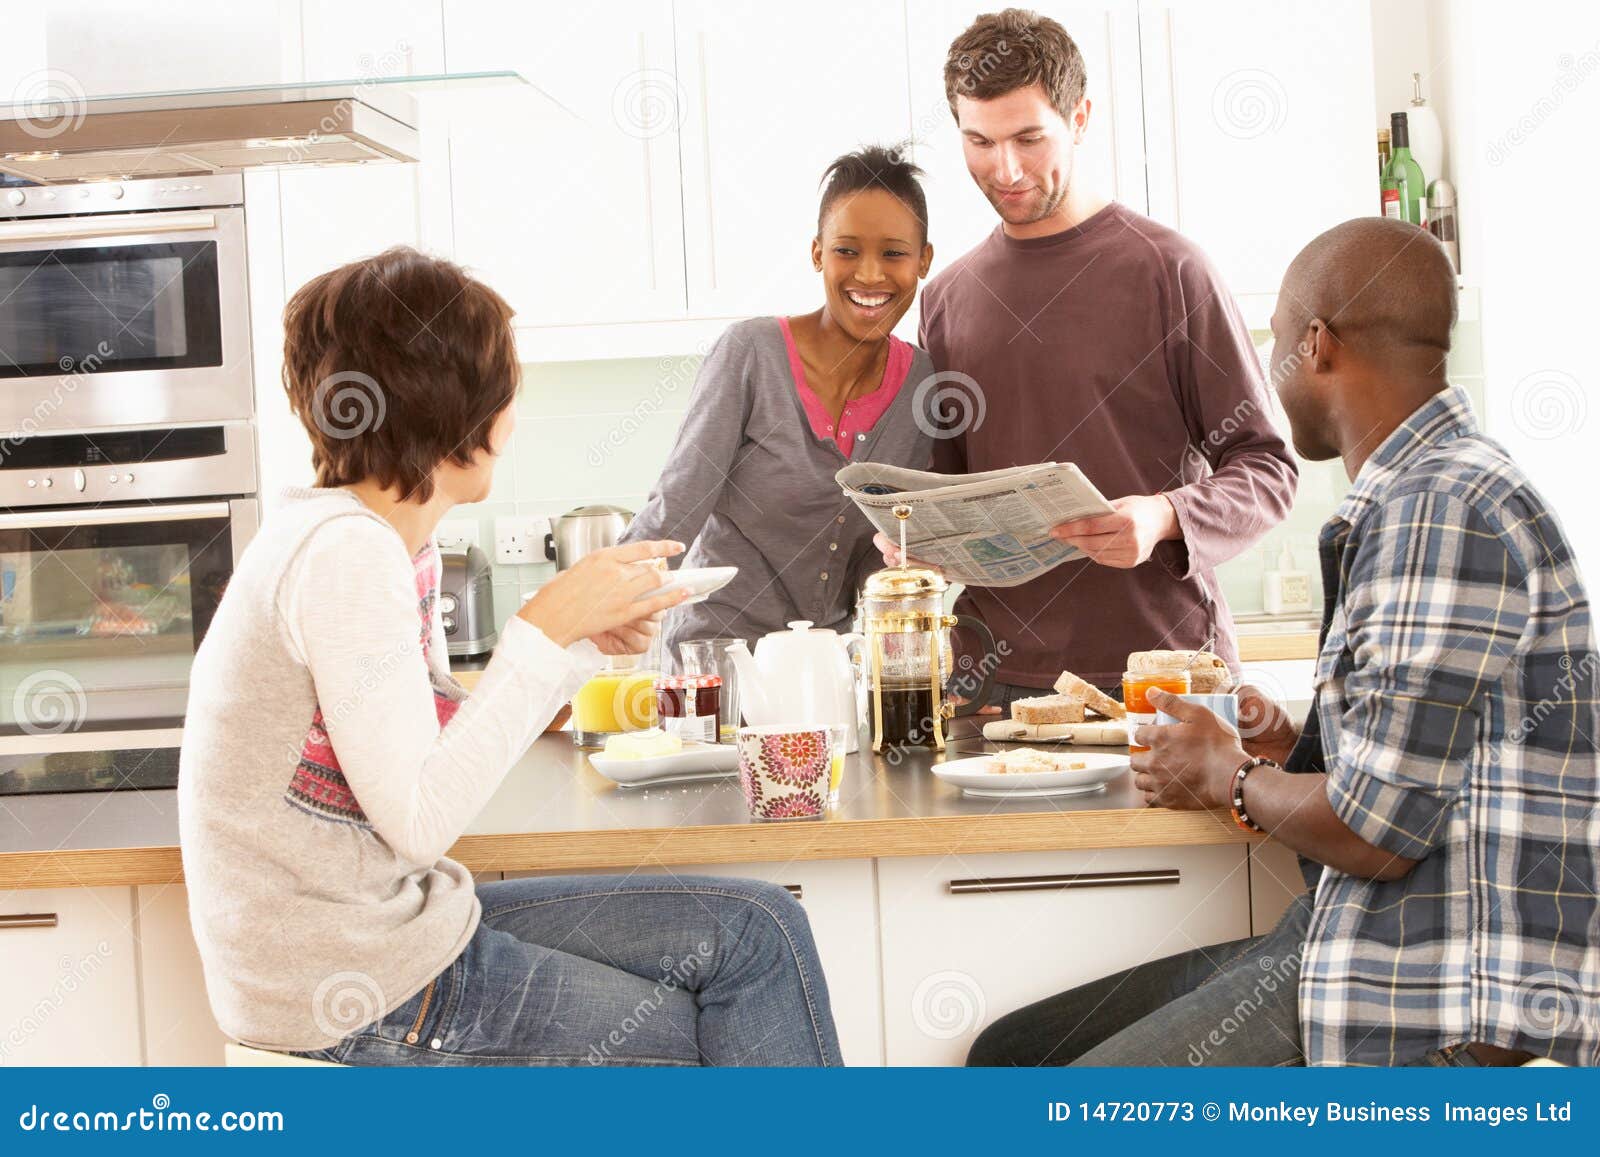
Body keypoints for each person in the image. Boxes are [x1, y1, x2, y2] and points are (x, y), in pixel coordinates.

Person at [178, 248, 841, 1066]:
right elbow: (421, 821)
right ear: (454, 407)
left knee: (760, 929)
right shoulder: (345, 555)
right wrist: (541, 628)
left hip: (392, 933)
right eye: (505, 385)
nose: (514, 412)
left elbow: (419, 754)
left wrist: (569, 641)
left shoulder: (369, 541)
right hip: (354, 986)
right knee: (716, 1042)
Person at [968, 218, 1600, 1067]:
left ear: (1318, 345)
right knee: (1012, 1053)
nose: (1270, 374)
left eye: (1276, 346)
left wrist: (1227, 772)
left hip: (1434, 1001)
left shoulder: (1437, 509)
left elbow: (1379, 832)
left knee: (1073, 1102)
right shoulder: (1434, 490)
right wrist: (1291, 743)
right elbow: (1421, 756)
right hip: (1360, 944)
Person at [879, 9, 1297, 703]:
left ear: (1079, 118)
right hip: (992, 685)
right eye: (978, 140)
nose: (1004, 168)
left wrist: (1162, 515)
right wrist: (917, 541)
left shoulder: (1171, 271)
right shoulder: (948, 296)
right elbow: (948, 487)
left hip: (1162, 678)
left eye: (1028, 138)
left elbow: (1269, 468)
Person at [623, 145, 937, 657]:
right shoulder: (751, 352)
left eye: (894, 253)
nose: (871, 275)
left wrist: (901, 569)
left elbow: (869, 552)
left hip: (821, 664)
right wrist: (594, 618)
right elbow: (677, 507)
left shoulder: (922, 384)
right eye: (847, 250)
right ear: (818, 253)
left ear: (923, 260)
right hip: (716, 656)